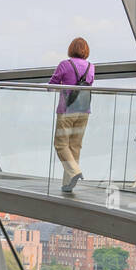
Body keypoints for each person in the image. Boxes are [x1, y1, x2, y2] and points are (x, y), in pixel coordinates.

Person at [49, 37, 95, 192]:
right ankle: (68, 184)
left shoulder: (65, 64)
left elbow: (52, 85)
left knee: (60, 144)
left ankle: (74, 172)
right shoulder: (91, 67)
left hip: (66, 110)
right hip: (84, 110)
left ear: (71, 49)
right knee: (75, 146)